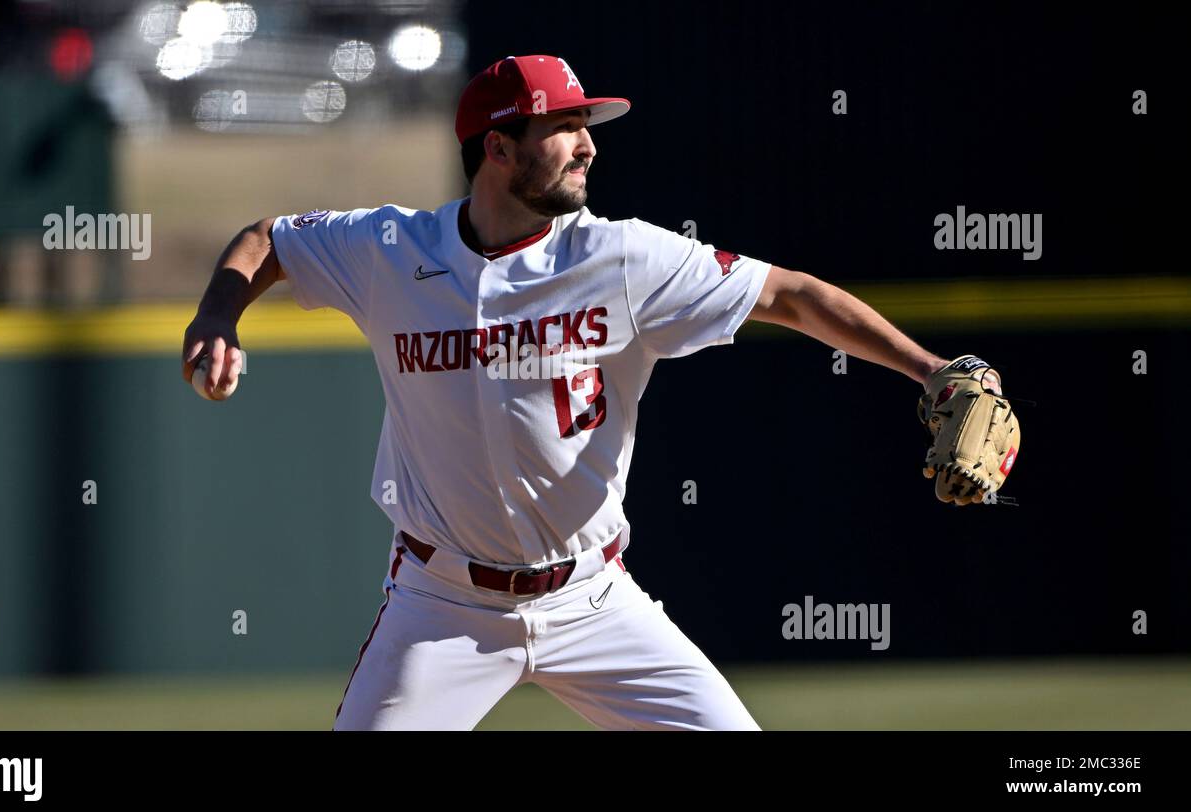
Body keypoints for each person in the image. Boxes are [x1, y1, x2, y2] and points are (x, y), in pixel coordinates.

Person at [182, 55, 962, 730]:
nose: (588, 144)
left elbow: (789, 295)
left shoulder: (621, 256)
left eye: (588, 124)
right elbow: (268, 241)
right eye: (563, 126)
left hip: (592, 599)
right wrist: (217, 313)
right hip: (441, 605)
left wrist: (930, 370)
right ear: (497, 147)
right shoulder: (392, 250)